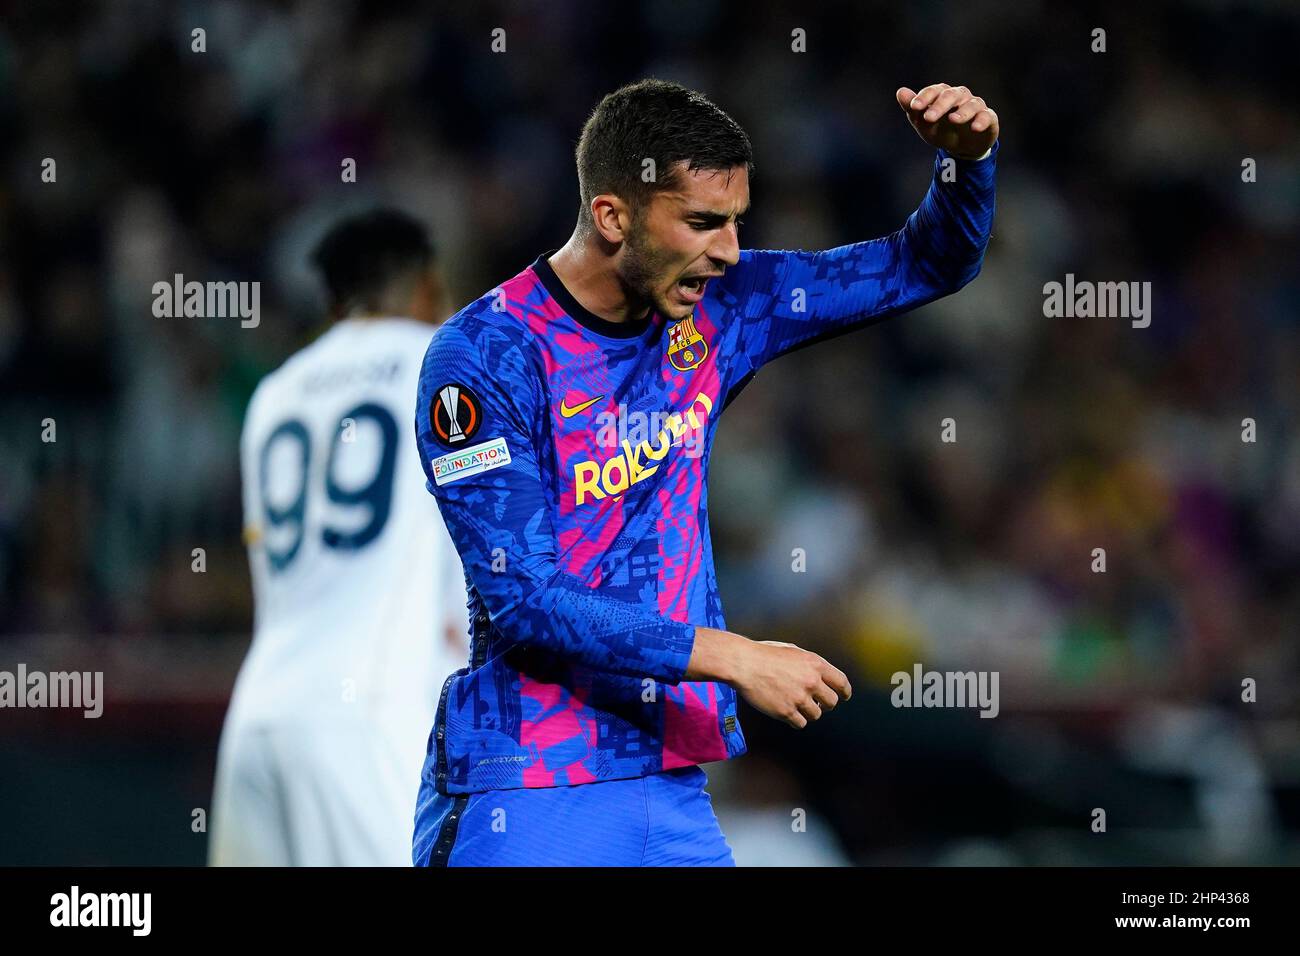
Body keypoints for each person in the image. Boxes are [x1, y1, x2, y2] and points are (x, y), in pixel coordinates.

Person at [412, 79, 999, 866]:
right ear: (613, 216)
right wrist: (736, 656)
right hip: (529, 784)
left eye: (734, 222)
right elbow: (524, 599)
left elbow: (923, 263)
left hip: (671, 785)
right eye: (700, 222)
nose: (727, 249)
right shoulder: (485, 355)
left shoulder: (723, 306)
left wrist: (967, 165)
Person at [211, 210, 468, 866]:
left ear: (333, 301)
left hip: (259, 719)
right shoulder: (446, 363)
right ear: (429, 285)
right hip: (370, 717)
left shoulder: (273, 393)